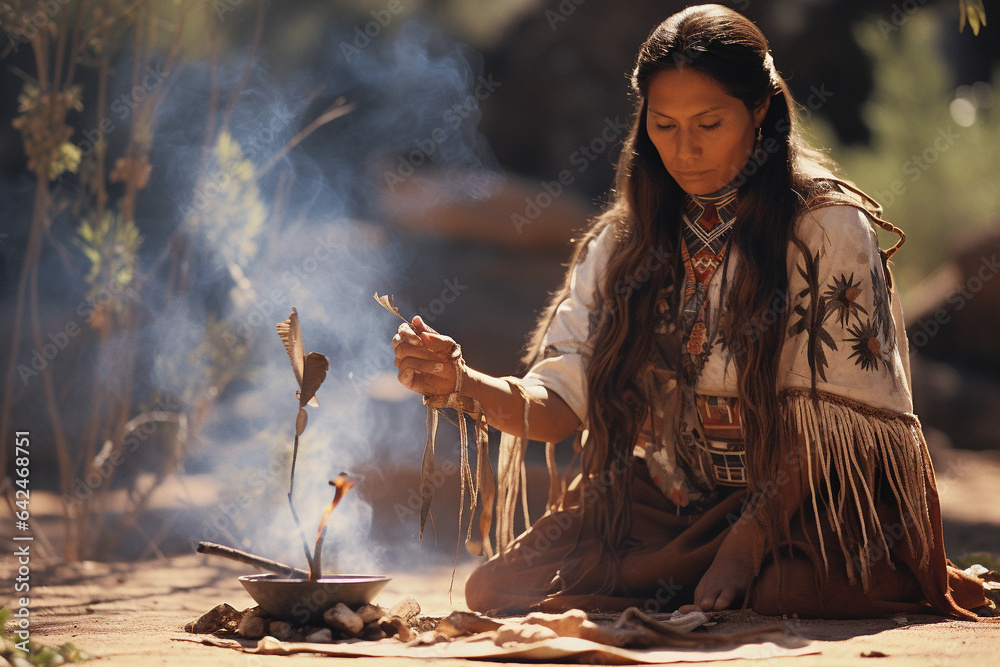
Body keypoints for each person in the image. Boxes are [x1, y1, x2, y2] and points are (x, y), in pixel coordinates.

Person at [391, 4, 994, 619]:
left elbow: (828, 424)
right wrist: (462, 382)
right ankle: (693, 574)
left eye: (710, 122)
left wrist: (746, 541)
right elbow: (560, 405)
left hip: (812, 500)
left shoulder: (824, 226)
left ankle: (748, 573)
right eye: (664, 124)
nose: (686, 150)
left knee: (779, 592)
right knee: (499, 590)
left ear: (759, 112)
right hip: (676, 500)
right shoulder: (623, 243)